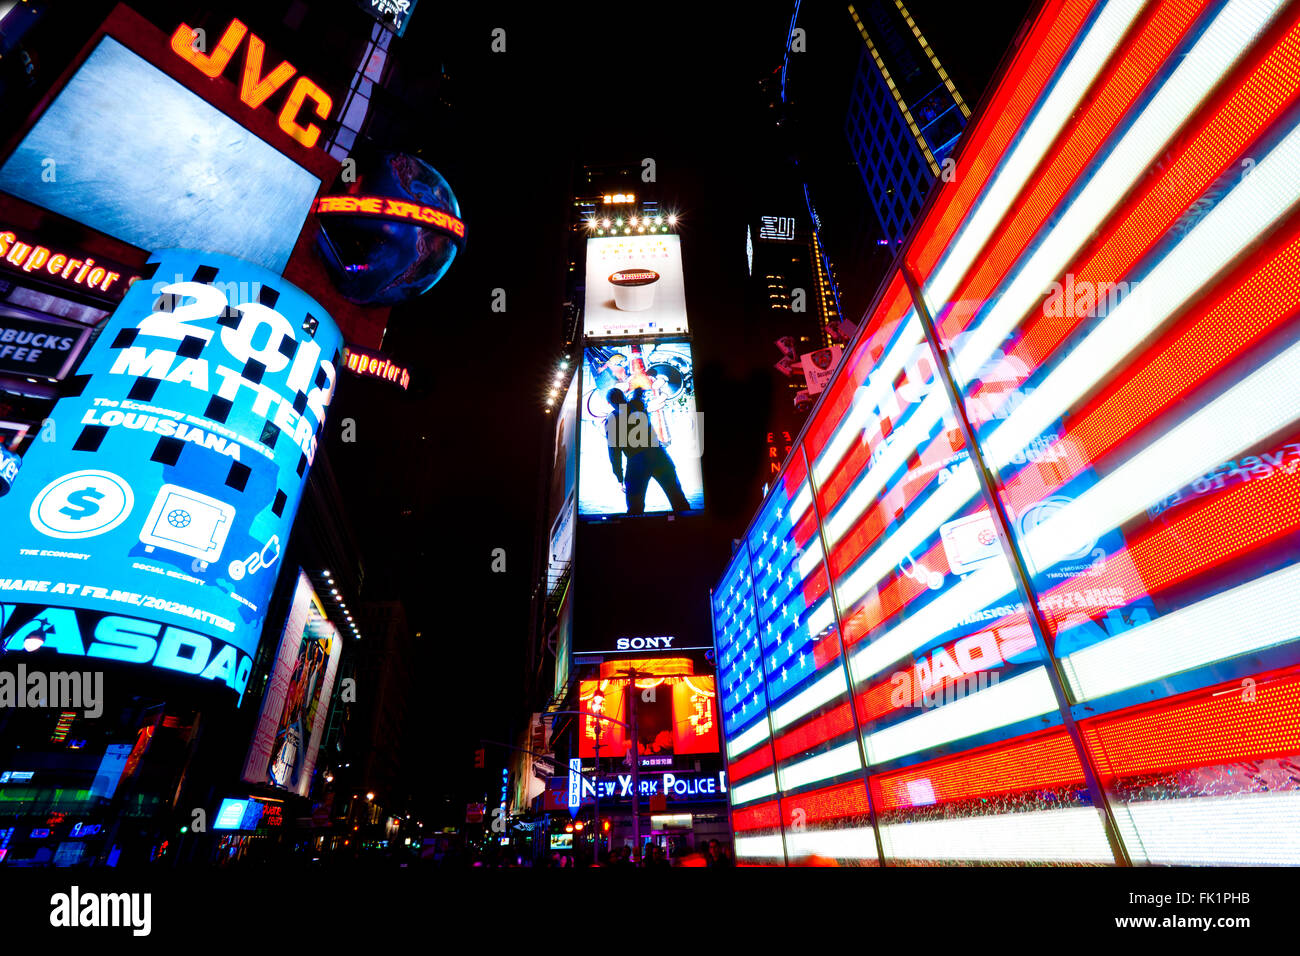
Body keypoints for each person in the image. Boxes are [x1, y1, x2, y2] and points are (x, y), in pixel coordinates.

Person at [606, 387, 690, 515]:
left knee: (635, 510)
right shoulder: (637, 404)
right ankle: (691, 530)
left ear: (609, 403)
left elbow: (614, 453)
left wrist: (619, 476)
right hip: (659, 456)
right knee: (679, 501)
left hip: (636, 463)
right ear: (623, 396)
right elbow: (637, 395)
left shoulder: (613, 418)